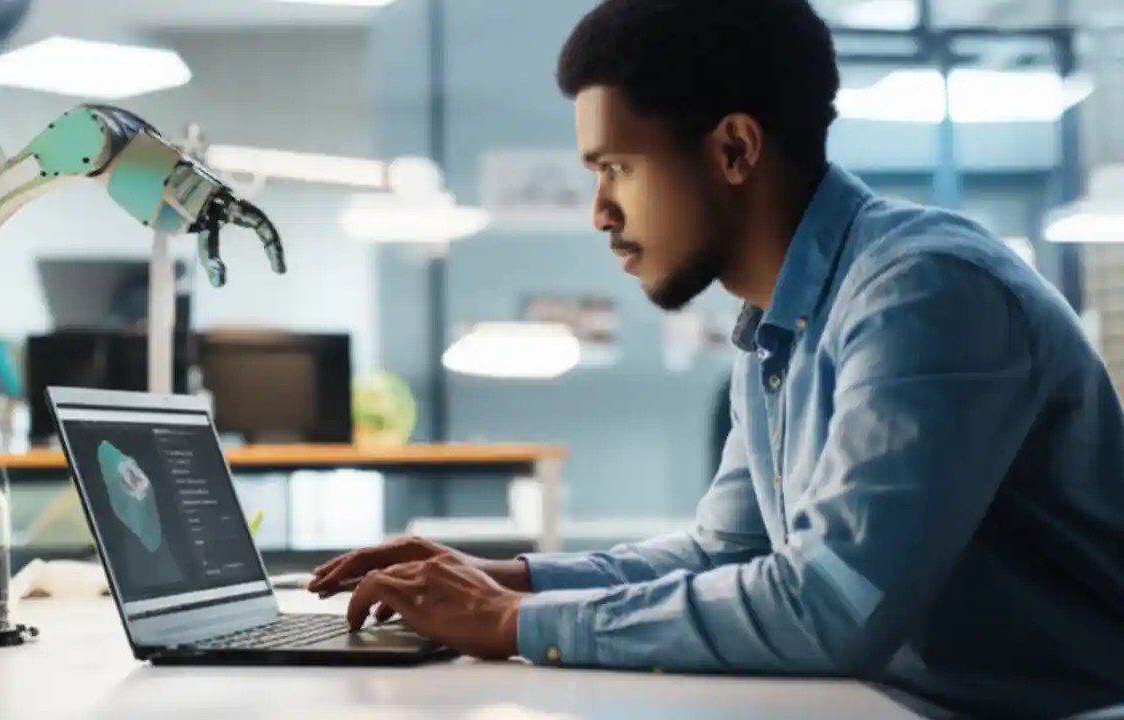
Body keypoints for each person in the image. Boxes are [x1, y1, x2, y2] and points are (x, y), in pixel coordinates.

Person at [309, 1, 1124, 716]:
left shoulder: (924, 292)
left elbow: (832, 606)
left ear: (734, 149)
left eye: (616, 168)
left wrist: (507, 622)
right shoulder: (780, 320)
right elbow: (723, 553)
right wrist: (506, 578)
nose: (599, 211)